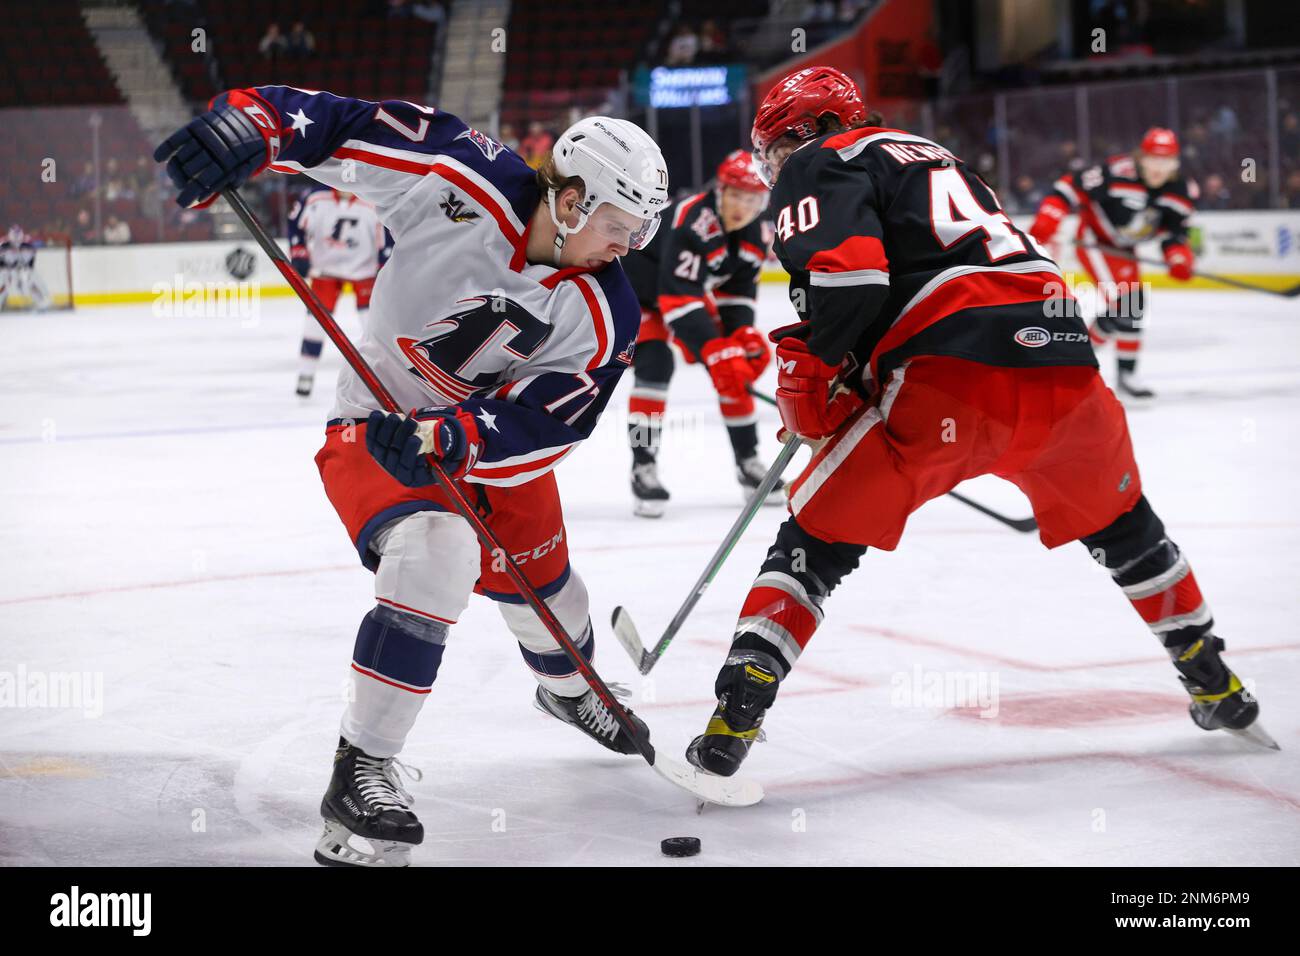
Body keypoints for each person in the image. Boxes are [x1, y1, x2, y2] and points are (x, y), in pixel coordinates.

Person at [684, 66, 1268, 779]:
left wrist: (819, 368)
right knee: (1125, 526)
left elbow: (852, 279)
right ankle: (1212, 676)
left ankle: (740, 702)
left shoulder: (822, 159)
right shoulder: (934, 154)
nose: (775, 167)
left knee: (818, 539)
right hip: (1063, 355)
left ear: (812, 130)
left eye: (777, 148)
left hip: (949, 371)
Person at [154, 88, 669, 866]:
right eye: (617, 225)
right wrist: (252, 127)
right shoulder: (463, 174)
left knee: (555, 602)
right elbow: (341, 123)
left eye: (640, 231)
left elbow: (555, 421)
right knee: (438, 550)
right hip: (377, 425)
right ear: (569, 199)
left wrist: (457, 437)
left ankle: (569, 690)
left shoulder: (608, 311)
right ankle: (360, 770)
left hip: (481, 444)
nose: (626, 245)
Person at [621, 150, 778, 516]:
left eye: (753, 198)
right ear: (720, 191)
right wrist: (713, 348)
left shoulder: (754, 233)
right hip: (636, 292)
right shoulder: (694, 218)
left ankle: (748, 461)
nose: (744, 206)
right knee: (656, 365)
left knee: (731, 370)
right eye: (737, 195)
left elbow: (736, 294)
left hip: (678, 293)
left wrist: (739, 337)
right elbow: (677, 296)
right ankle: (643, 465)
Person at [1028, 127, 1197, 401]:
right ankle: (1083, 364)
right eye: (1153, 159)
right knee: (1129, 304)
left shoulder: (1181, 190)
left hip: (1125, 248)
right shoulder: (1117, 171)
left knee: (1130, 308)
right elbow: (1069, 186)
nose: (1158, 168)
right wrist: (1050, 217)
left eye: (1166, 161)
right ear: (1140, 157)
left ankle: (1097, 365)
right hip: (1095, 241)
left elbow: (1174, 233)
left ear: (1176, 163)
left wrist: (1178, 256)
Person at [287, 185, 392, 396]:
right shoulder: (314, 197)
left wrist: (386, 264)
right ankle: (306, 374)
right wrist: (298, 251)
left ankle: (382, 378)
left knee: (372, 327)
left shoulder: (372, 197)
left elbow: (388, 234)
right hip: (325, 270)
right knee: (314, 324)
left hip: (364, 271)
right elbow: (294, 224)